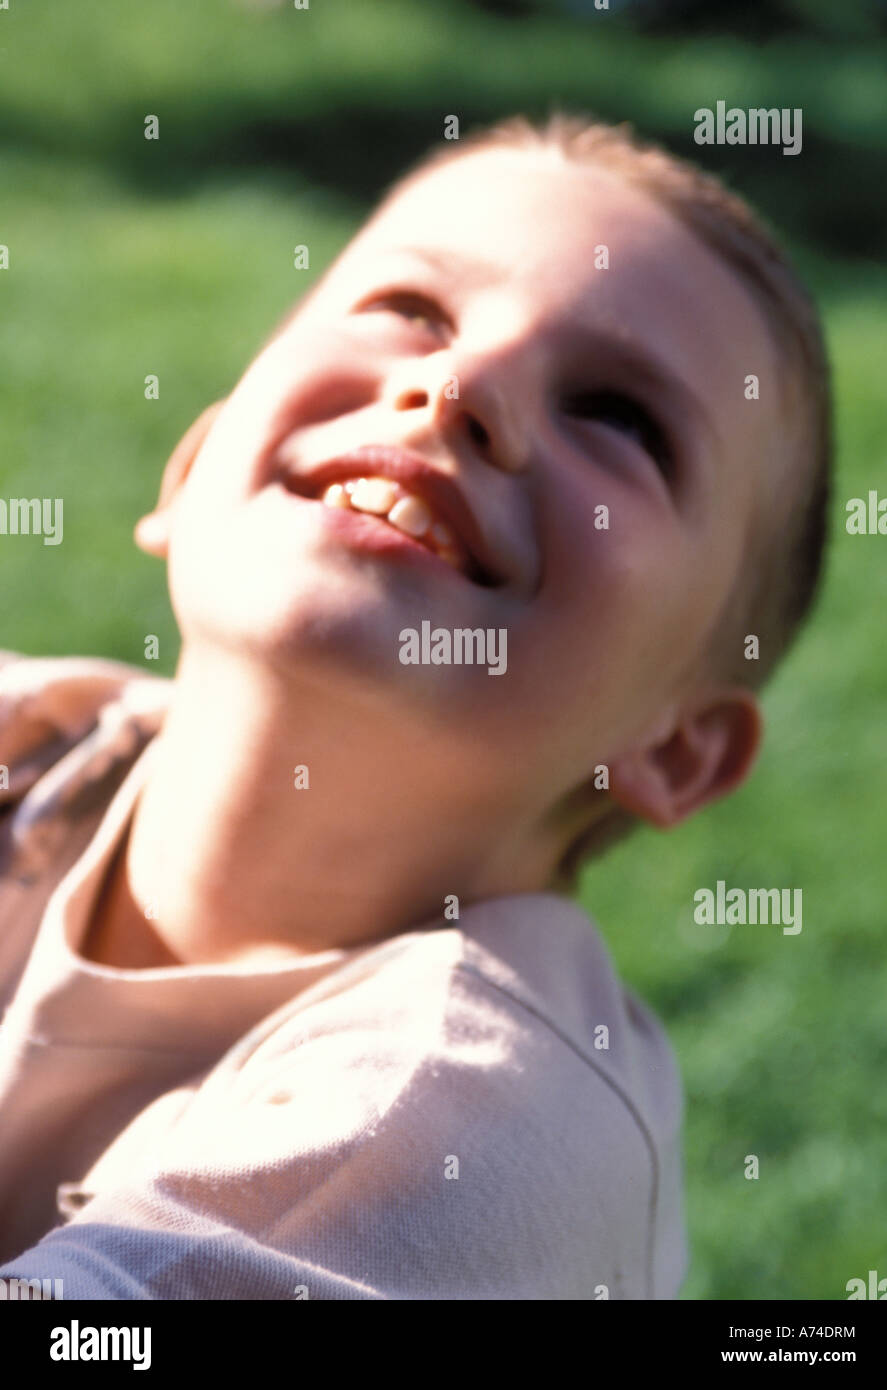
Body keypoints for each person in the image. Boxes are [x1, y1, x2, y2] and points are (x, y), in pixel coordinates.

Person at [0, 112, 830, 1299]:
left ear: (679, 744)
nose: (459, 384)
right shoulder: (34, 745)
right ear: (191, 471)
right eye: (411, 309)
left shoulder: (480, 1121)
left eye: (619, 415)